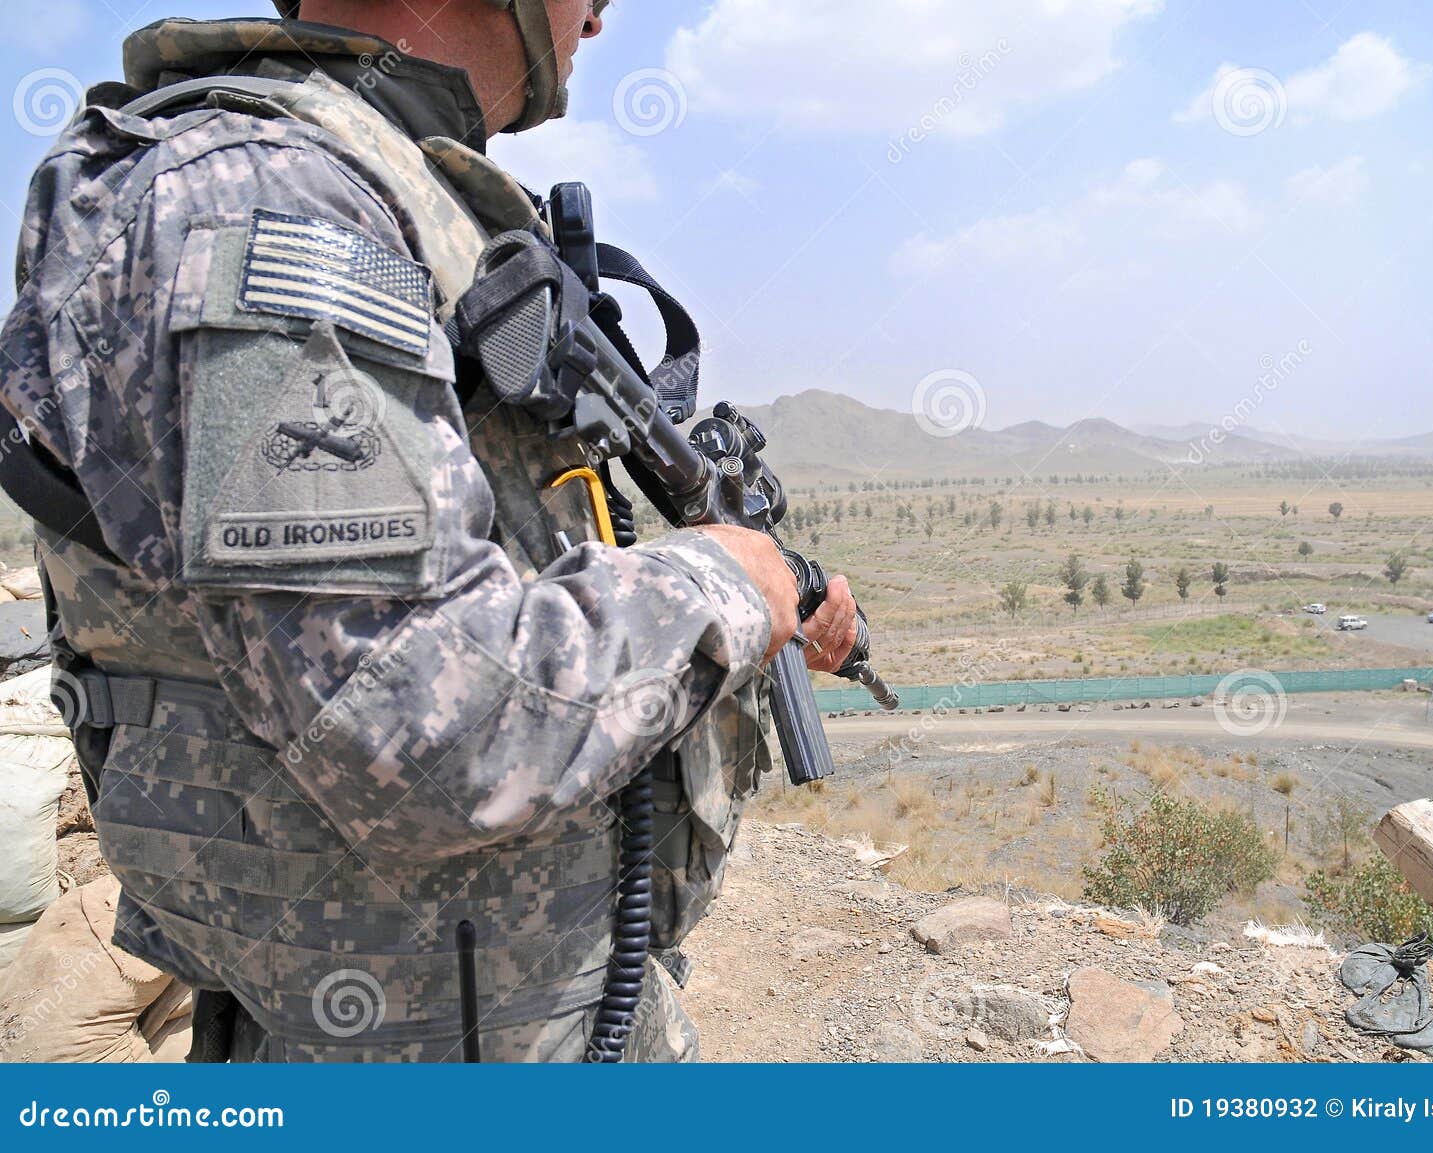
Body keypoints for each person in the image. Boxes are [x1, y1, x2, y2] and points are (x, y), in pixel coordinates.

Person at [0, 0, 859, 1061]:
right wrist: (718, 590)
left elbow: (467, 577)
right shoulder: (273, 195)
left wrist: (761, 588)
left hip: (513, 1002)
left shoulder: (379, 179)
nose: (599, 15)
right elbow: (410, 720)